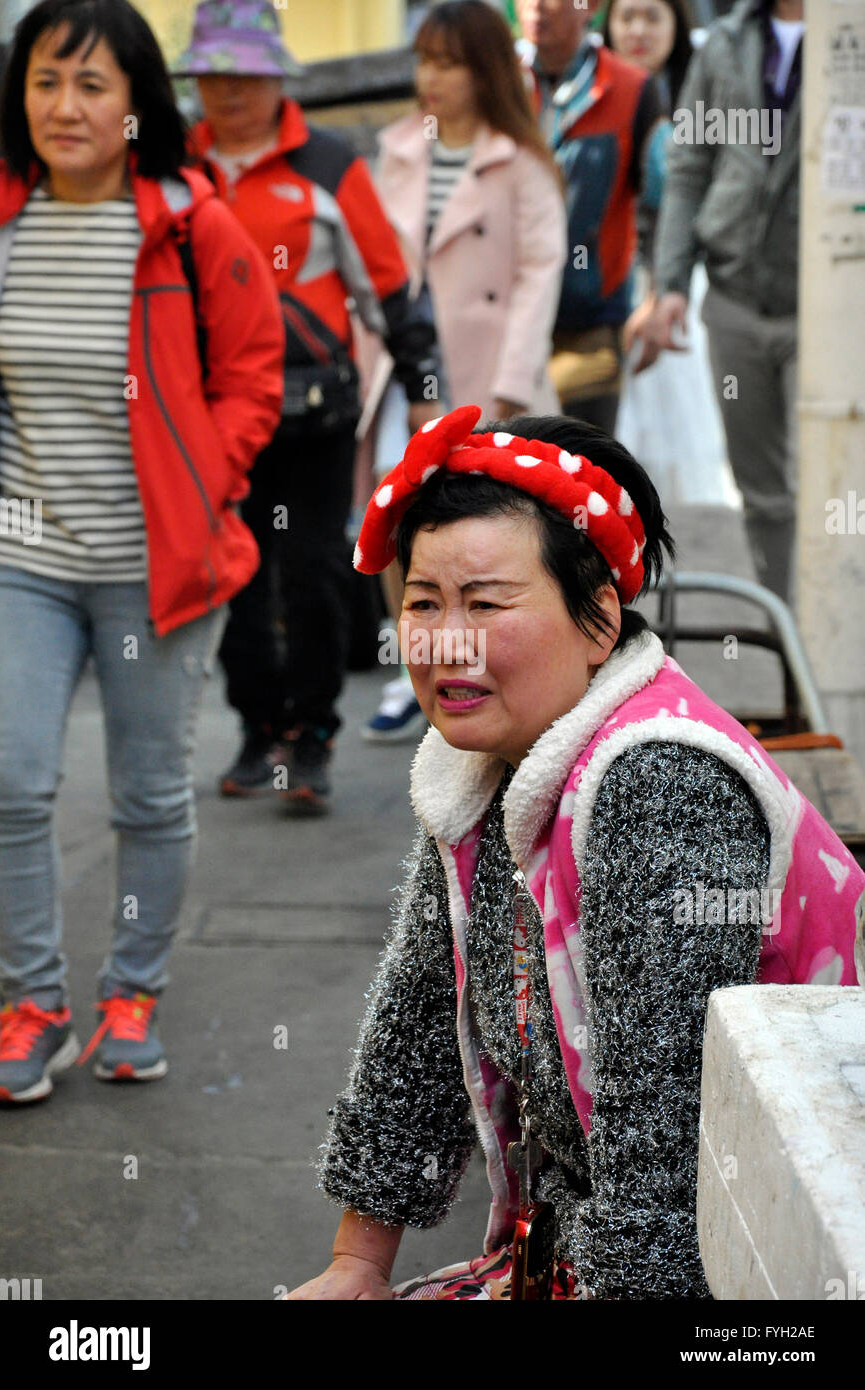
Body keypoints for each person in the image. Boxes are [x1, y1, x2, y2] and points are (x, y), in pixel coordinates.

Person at [283, 404, 862, 1300]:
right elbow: (424, 1013)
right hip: (582, 1242)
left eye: (485, 603)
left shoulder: (658, 791)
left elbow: (664, 1164)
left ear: (599, 620)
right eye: (424, 602)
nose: (444, 642)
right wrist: (357, 1264)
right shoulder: (479, 757)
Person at [0, 0, 284, 1103]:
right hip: (23, 554)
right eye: (43, 82)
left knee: (147, 793)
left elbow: (253, 375)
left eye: (91, 86)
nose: (64, 107)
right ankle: (32, 1003)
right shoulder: (9, 222)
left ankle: (133, 991)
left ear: (135, 107)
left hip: (153, 570)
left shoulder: (189, 224)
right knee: (14, 783)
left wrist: (202, 480)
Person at [174, 0, 442, 814]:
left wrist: (425, 388)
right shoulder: (174, 167)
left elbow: (390, 291)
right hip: (212, 415)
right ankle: (260, 729)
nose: (228, 92)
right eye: (213, 75)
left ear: (276, 76)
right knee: (234, 576)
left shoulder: (328, 165)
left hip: (313, 414)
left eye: (245, 74)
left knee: (319, 568)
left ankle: (314, 734)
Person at [359, 0, 567, 744]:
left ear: (483, 69)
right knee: (395, 511)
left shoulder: (521, 160)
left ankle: (498, 669)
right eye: (424, 60)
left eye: (448, 61)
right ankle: (417, 661)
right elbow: (377, 266)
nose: (431, 78)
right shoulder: (397, 149)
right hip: (404, 368)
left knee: (489, 529)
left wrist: (508, 386)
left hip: (488, 373)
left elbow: (541, 276)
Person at [643, 0, 805, 601]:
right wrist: (672, 285)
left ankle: (842, 644)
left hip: (831, 308)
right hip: (734, 294)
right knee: (761, 488)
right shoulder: (726, 43)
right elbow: (688, 168)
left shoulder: (850, 38)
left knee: (837, 482)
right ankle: (793, 636)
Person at [515, 0, 669, 433]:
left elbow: (664, 199)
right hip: (504, 317)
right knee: (501, 475)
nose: (536, 8)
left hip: (591, 318)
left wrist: (658, 294)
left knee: (583, 467)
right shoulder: (498, 83)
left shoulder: (632, 88)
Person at [605, 0, 736, 508]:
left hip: (680, 279)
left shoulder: (701, 98)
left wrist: (663, 286)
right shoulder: (591, 93)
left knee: (681, 423)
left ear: (676, 25)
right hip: (611, 279)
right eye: (626, 17)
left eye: (652, 17)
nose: (638, 31)